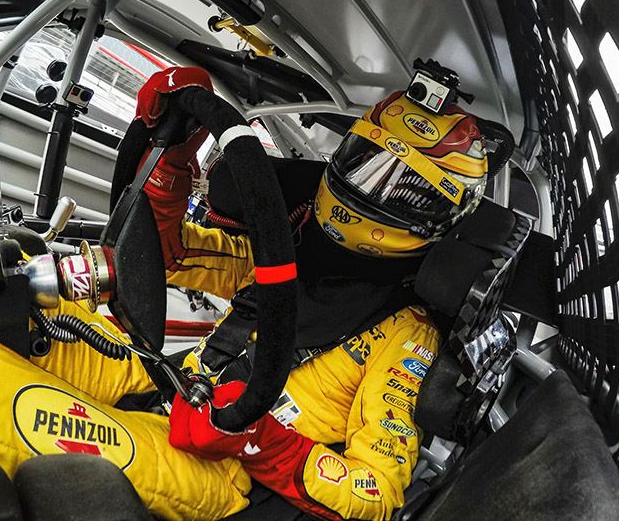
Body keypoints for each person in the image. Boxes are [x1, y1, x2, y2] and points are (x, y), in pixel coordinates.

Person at [137, 66, 491, 519]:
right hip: (170, 394)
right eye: (367, 162)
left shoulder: (408, 334)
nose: (371, 186)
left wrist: (260, 439)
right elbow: (169, 255)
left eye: (404, 188)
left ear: (440, 218)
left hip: (227, 473)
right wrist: (170, 155)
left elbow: (377, 492)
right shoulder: (286, 248)